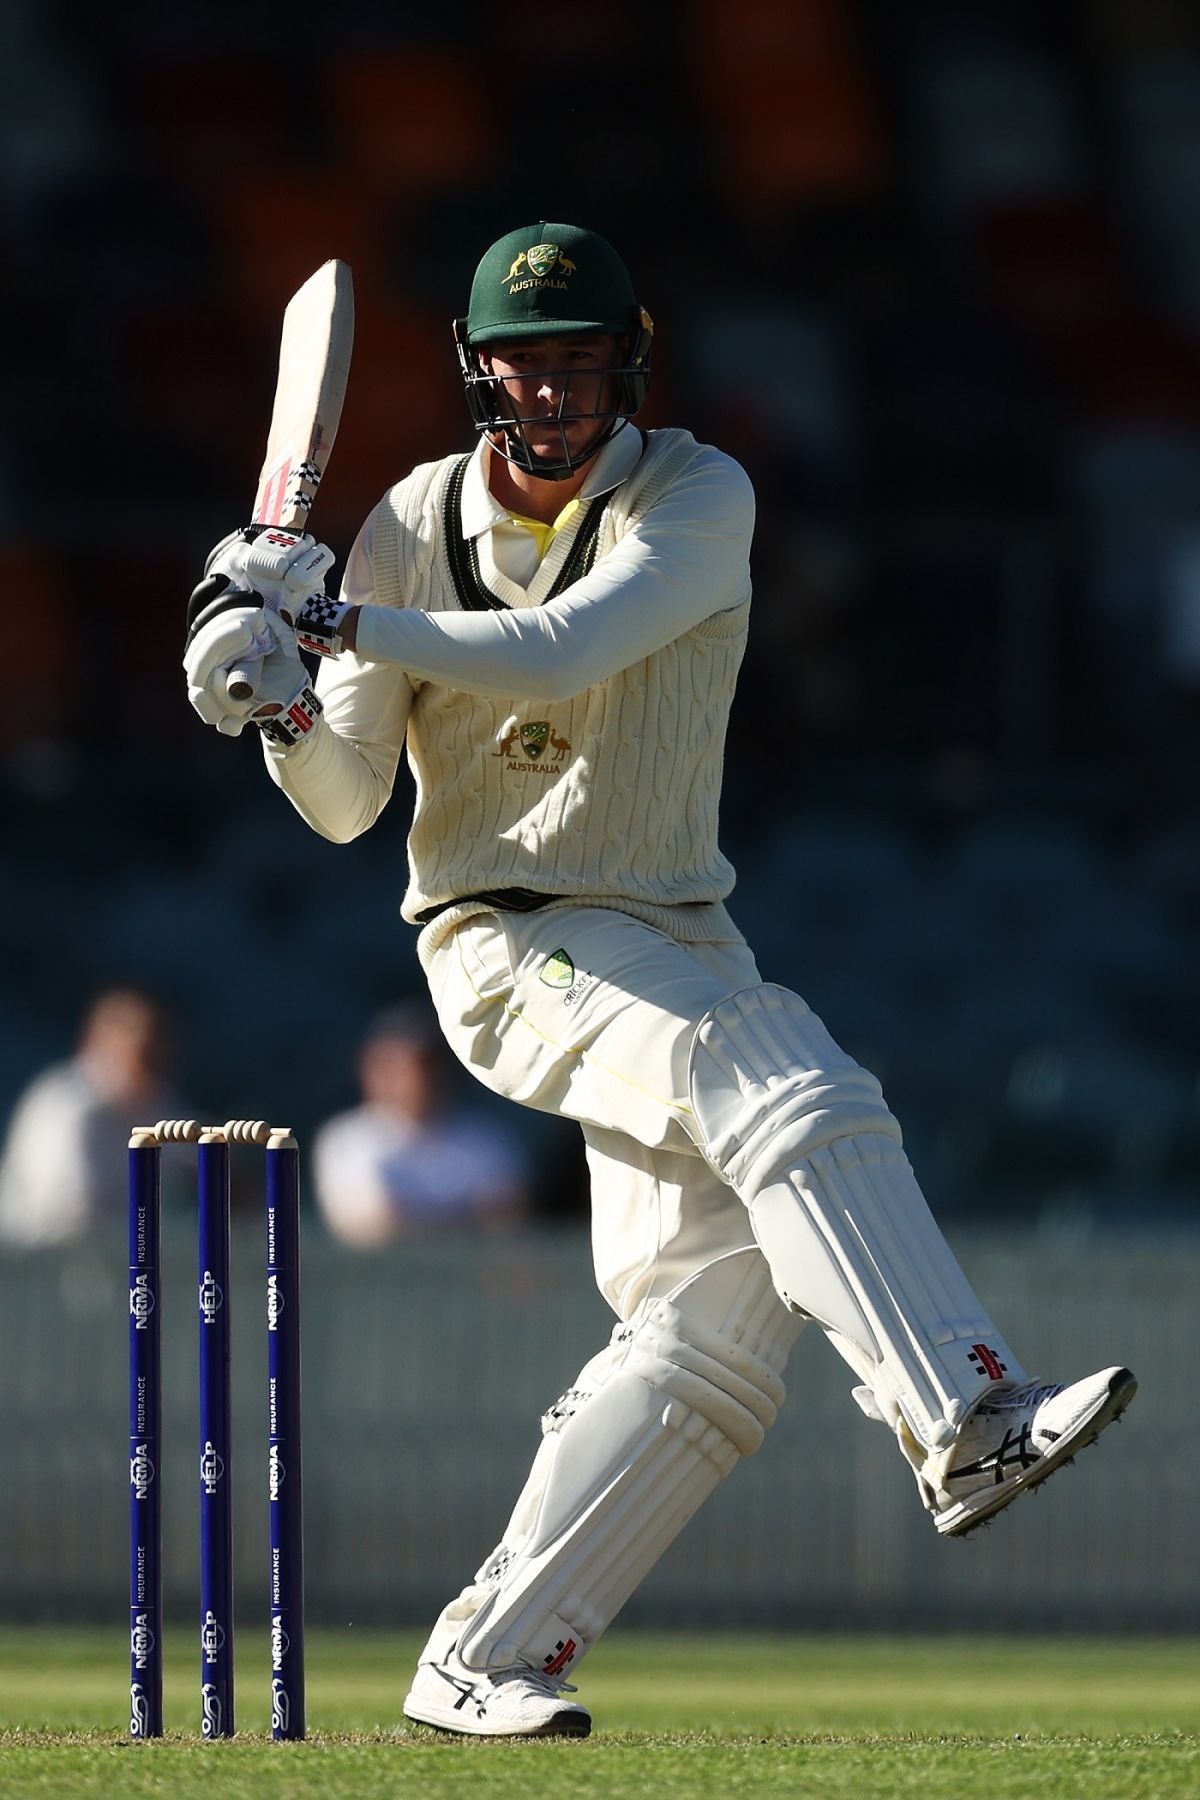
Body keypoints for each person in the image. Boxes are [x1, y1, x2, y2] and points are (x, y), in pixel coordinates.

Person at [183, 221, 1137, 1739]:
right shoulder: (402, 527)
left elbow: (564, 650)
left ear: (623, 360)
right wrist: (280, 707)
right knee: (783, 1070)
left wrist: (320, 621)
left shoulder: (697, 491)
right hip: (502, 938)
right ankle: (967, 1413)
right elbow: (352, 802)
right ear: (479, 371)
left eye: (578, 363)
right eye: (526, 365)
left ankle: (486, 1653)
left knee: (717, 1326)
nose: (554, 394)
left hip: (674, 929)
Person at [312, 1001, 529, 1245]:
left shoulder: (488, 1138)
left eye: (427, 1064)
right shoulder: (345, 1140)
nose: (417, 1077)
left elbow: (506, 1222)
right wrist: (463, 1221)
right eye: (402, 1066)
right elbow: (373, 1227)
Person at [0, 987, 184, 1247]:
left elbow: (190, 1166)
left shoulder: (155, 1103)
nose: (153, 1064)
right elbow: (71, 1219)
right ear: (101, 1044)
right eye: (142, 1052)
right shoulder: (67, 1110)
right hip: (44, 1269)